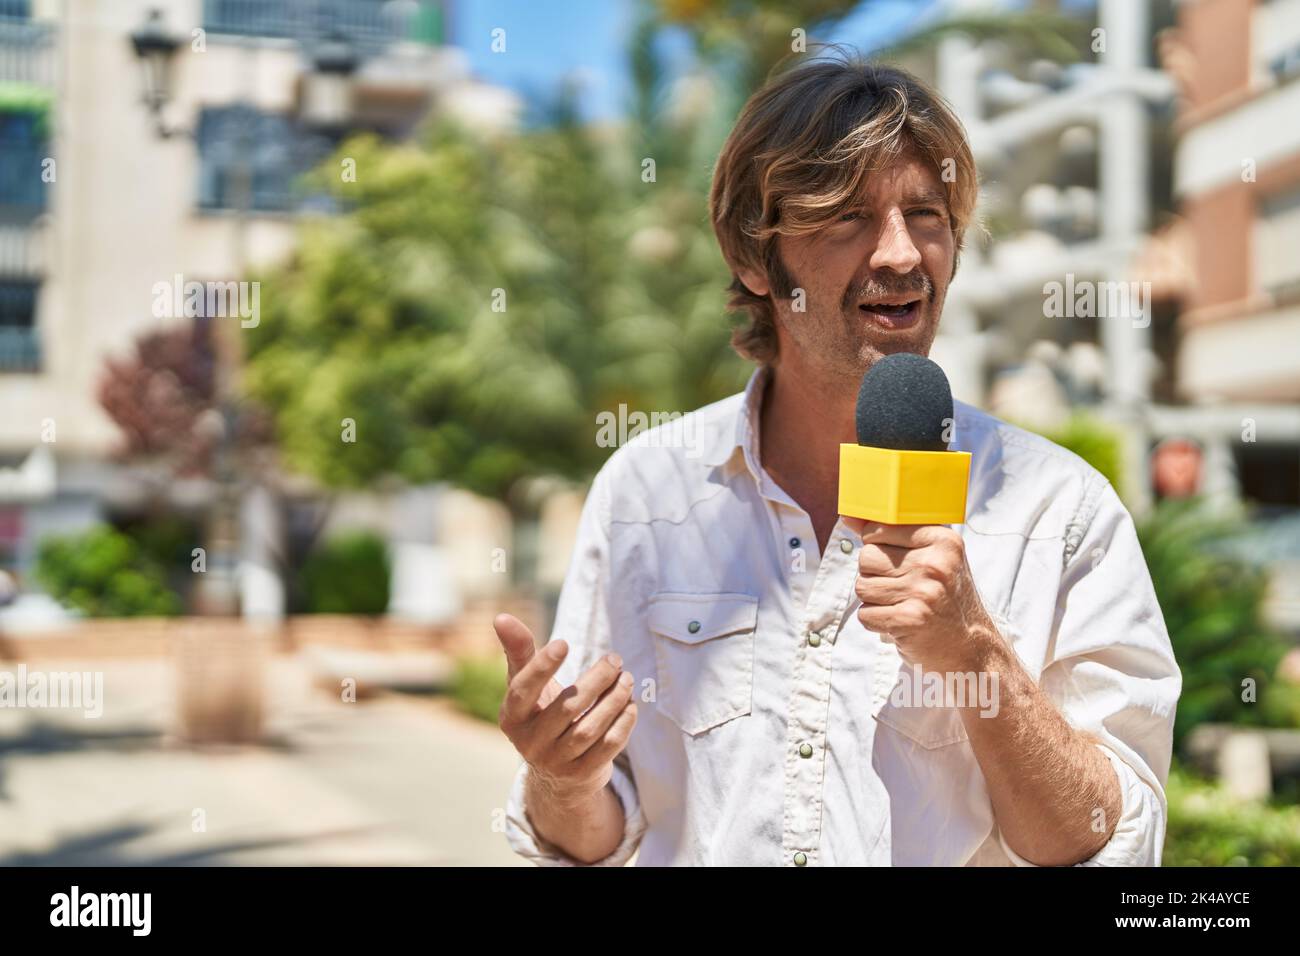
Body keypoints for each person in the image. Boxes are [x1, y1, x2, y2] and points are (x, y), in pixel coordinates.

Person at [493, 56, 1181, 866]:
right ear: (755, 258)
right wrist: (562, 780)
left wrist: (972, 653)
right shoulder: (645, 491)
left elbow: (1108, 844)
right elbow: (598, 835)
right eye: (847, 216)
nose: (900, 254)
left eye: (926, 213)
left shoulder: (1060, 512)